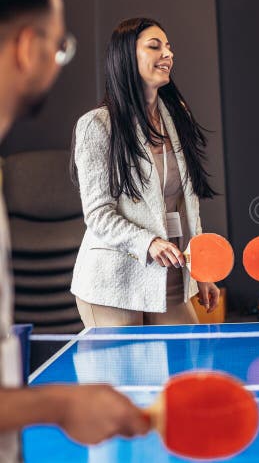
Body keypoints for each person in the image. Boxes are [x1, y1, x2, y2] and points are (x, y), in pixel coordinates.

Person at [0, 0, 149, 460]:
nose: (60, 62)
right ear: (26, 48)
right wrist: (59, 406)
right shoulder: (96, 127)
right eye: (60, 48)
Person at [70, 17, 220, 327]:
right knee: (128, 375)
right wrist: (148, 242)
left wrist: (202, 270)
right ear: (126, 57)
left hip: (168, 274)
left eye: (168, 47)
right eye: (155, 46)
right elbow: (98, 214)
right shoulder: (96, 126)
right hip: (114, 280)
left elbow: (186, 205)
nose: (167, 54)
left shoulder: (176, 117)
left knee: (188, 364)